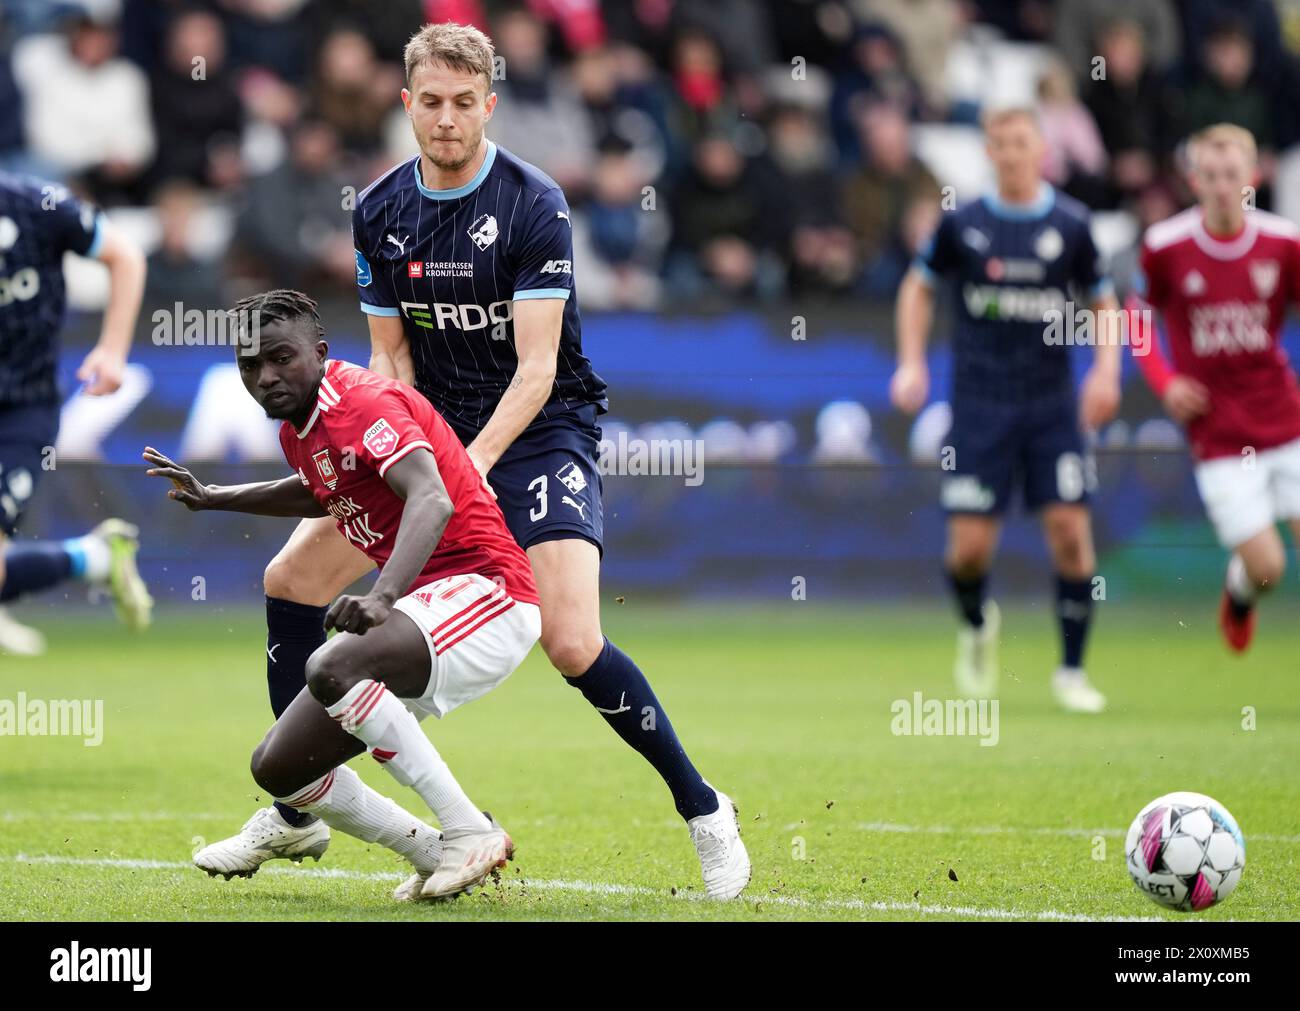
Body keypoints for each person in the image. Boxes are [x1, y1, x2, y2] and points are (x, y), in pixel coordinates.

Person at [194, 21, 749, 900]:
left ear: (489, 106)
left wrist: (470, 460)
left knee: (571, 640)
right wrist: (386, 443)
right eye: (430, 103)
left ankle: (703, 805)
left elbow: (536, 368)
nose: (446, 120)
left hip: (538, 430)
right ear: (406, 102)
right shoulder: (377, 208)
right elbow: (390, 362)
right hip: (432, 431)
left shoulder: (535, 204)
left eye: (463, 105)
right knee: (291, 579)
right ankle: (298, 814)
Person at [148, 289, 541, 900]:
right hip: (431, 610)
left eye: (280, 357)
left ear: (320, 352)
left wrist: (382, 597)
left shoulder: (358, 401)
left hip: (488, 592)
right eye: (250, 365)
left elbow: (431, 497)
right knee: (281, 770)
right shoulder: (301, 424)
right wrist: (218, 497)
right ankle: (431, 849)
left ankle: (467, 830)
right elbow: (323, 487)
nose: (266, 376)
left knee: (332, 664)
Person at [890, 107, 1122, 712]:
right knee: (969, 551)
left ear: (1041, 148)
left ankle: (1071, 672)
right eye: (1000, 144)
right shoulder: (962, 224)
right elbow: (918, 286)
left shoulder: (1071, 224)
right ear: (988, 152)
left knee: (1071, 533)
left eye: (1022, 142)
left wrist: (1105, 370)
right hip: (980, 406)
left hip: (1052, 406)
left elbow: (1104, 300)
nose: (1012, 153)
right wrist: (911, 362)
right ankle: (975, 624)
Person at [1131, 124, 1300, 652]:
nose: (1223, 186)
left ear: (1252, 178)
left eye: (1233, 175)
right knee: (1268, 568)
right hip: (1219, 432)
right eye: (1211, 176)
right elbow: (1135, 320)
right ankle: (1240, 592)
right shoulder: (1165, 246)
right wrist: (1166, 381)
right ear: (1193, 181)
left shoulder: (1284, 242)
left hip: (1284, 417)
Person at [0, 170, 151, 655]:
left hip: (22, 410)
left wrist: (112, 349)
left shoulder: (35, 204)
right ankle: (93, 558)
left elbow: (124, 256)